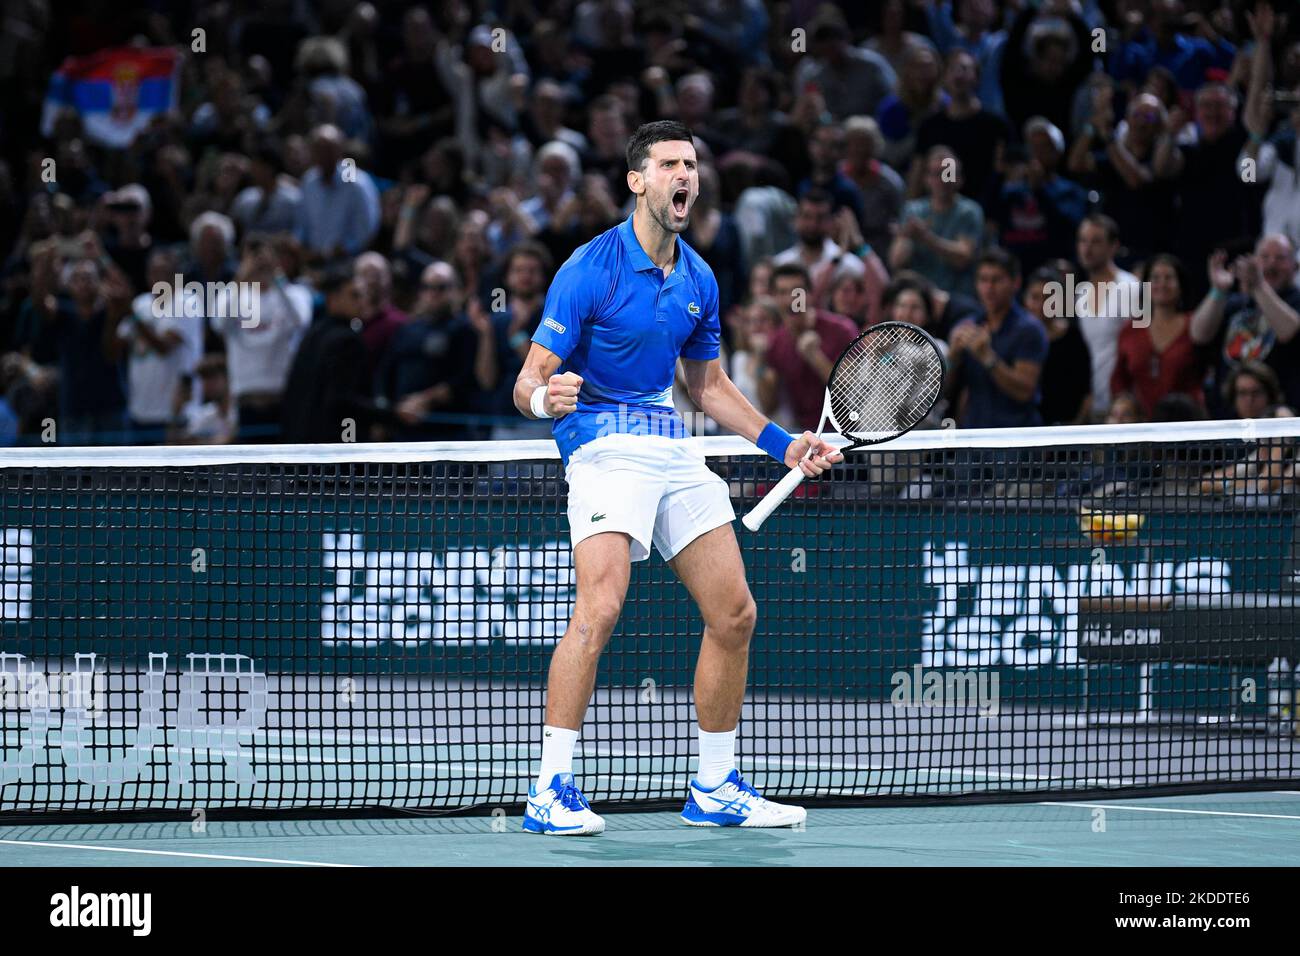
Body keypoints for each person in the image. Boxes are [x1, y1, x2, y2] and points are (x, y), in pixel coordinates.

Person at [512, 121, 842, 835]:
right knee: (599, 610)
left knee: (735, 614)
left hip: (671, 445)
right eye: (668, 164)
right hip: (603, 446)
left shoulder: (699, 277)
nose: (683, 175)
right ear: (638, 181)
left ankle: (716, 785)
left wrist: (782, 445)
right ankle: (548, 789)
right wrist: (547, 399)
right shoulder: (587, 269)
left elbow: (710, 386)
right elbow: (526, 382)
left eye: (690, 164)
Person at [1190, 234, 1300, 415]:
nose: (1271, 264)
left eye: (1280, 258)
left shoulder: (1295, 301)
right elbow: (1198, 334)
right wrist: (1218, 291)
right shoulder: (1235, 303)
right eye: (1264, 257)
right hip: (1229, 414)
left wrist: (1258, 286)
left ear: (1295, 266)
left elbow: (1289, 331)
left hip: (1280, 416)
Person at [947, 248, 1047, 428]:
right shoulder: (966, 327)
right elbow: (944, 392)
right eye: (983, 280)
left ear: (1015, 283)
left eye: (996, 280)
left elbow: (1025, 391)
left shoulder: (1030, 329)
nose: (988, 288)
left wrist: (987, 358)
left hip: (1017, 440)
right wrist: (952, 358)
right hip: (972, 438)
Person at [754, 262, 861, 430]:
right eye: (782, 292)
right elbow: (769, 405)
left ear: (810, 294)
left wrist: (814, 356)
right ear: (774, 298)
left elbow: (851, 391)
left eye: (798, 291)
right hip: (803, 440)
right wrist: (760, 362)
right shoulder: (775, 342)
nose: (791, 299)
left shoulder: (842, 330)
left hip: (846, 435)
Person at [279, 271, 374, 443]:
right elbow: (343, 402)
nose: (362, 301)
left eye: (363, 295)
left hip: (301, 445)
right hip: (338, 445)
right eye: (355, 295)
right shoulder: (347, 340)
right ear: (333, 298)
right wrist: (390, 413)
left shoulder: (312, 334)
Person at [1110, 254, 1204, 416]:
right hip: (1142, 426)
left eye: (1169, 278)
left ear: (1180, 285)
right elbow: (1118, 382)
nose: (1162, 284)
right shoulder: (1131, 330)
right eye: (1155, 278)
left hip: (1187, 424)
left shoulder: (1195, 325)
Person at [890, 147, 983, 299]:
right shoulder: (913, 210)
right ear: (926, 179)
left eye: (949, 173)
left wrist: (926, 238)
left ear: (959, 179)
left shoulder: (969, 211)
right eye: (937, 174)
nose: (943, 180)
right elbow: (896, 261)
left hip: (957, 296)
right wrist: (907, 237)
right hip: (920, 298)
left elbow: (963, 258)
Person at [1074, 214, 1141, 414]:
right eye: (1083, 240)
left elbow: (1139, 348)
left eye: (1096, 241)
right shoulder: (1081, 293)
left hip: (1125, 403)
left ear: (1113, 246)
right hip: (1096, 401)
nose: (1087, 248)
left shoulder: (1131, 287)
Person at [1023, 264, 1091, 425]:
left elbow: (1087, 391)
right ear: (1025, 299)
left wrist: (1075, 429)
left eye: (1048, 298)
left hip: (1067, 432)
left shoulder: (1074, 338)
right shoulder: (1017, 338)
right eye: (1035, 297)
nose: (1041, 305)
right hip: (1025, 431)